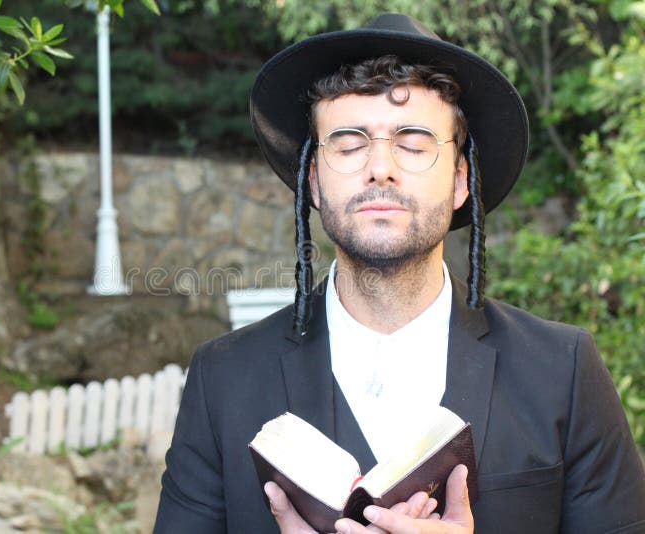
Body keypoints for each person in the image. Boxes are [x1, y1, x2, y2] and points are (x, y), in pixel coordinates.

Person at [153, 13, 645, 534]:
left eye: (413, 142)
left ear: (460, 181)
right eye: (349, 143)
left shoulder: (562, 372)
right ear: (313, 182)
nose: (380, 167)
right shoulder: (223, 380)